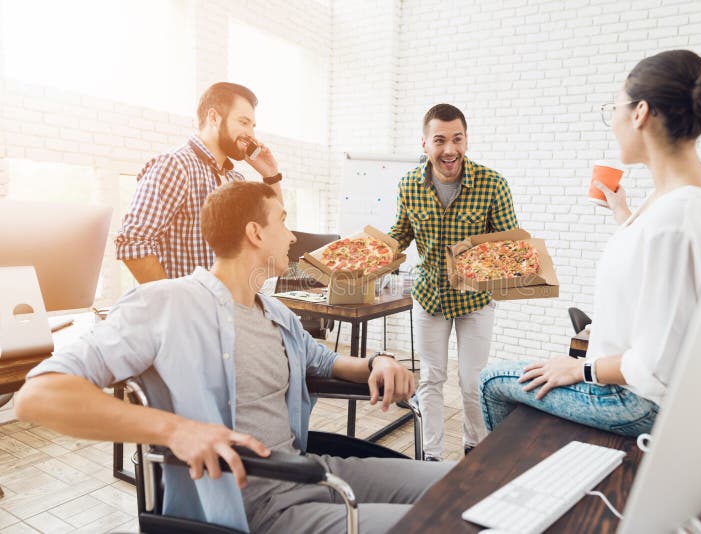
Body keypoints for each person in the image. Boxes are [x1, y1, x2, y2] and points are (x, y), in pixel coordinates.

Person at [16, 181, 452, 534]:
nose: (294, 236)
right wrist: (175, 430)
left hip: (310, 470)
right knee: (452, 524)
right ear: (255, 233)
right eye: (283, 221)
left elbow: (324, 363)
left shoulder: (277, 312)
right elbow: (38, 395)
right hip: (253, 504)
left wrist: (379, 362)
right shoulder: (167, 303)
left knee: (462, 487)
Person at [480, 50, 701, 436]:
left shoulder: (673, 219)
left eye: (615, 108)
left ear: (640, 113)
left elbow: (654, 370)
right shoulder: (691, 187)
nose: (612, 122)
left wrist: (579, 368)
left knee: (492, 381)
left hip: (636, 401)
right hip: (640, 387)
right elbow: (666, 288)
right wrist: (624, 215)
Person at [389, 104, 519, 461]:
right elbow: (399, 234)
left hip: (475, 300)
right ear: (425, 143)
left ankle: (474, 451)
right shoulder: (408, 185)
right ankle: (430, 456)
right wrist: (372, 252)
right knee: (430, 379)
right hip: (429, 296)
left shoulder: (493, 184)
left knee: (472, 382)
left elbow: (508, 244)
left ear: (466, 140)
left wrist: (478, 261)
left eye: (457, 139)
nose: (450, 150)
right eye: (440, 140)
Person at [115, 82, 284, 283]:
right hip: (190, 311)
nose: (251, 134)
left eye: (252, 126)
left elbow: (271, 231)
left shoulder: (235, 180)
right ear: (214, 117)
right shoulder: (176, 165)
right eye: (243, 122)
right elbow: (133, 241)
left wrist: (271, 174)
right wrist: (175, 303)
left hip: (224, 309)